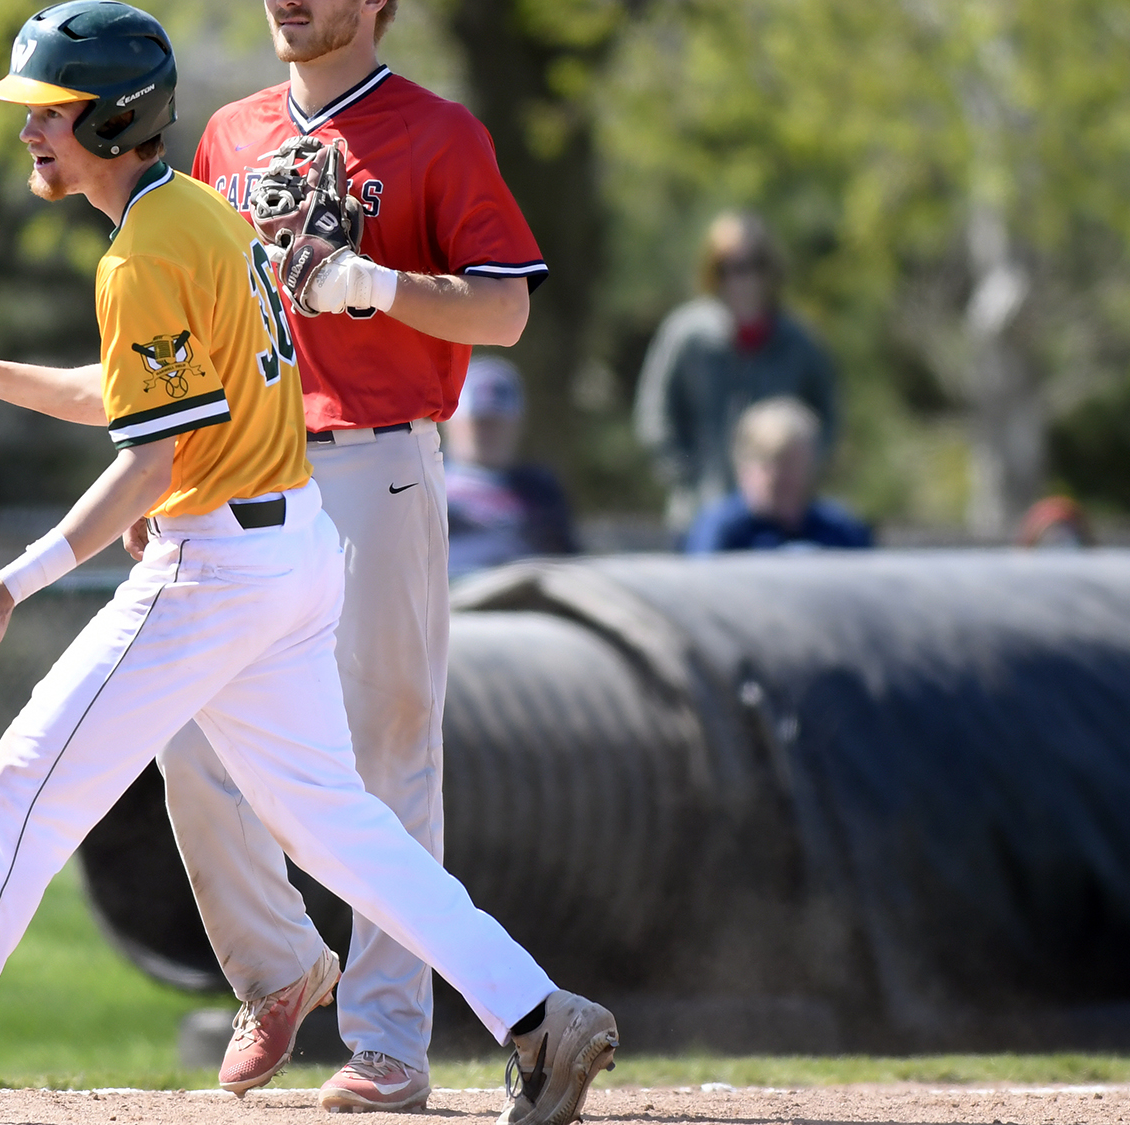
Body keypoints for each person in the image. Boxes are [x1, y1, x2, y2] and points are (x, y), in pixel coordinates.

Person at [0, 6, 615, 1125]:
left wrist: (15, 582)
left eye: (49, 113)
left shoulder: (150, 251)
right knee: (337, 827)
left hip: (220, 565)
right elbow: (156, 410)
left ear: (111, 116)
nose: (29, 134)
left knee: (22, 781)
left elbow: (152, 453)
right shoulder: (198, 219)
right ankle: (540, 1016)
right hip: (288, 543)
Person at [165, 0, 598, 1115]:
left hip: (377, 457)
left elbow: (503, 312)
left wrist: (379, 287)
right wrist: (166, 467)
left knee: (387, 751)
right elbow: (207, 325)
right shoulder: (227, 134)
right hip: (244, 463)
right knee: (183, 724)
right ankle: (277, 969)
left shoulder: (436, 132)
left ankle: (390, 1045)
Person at [634, 210, 838, 531]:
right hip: (699, 513)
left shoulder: (798, 342)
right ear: (713, 272)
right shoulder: (687, 337)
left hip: (781, 517)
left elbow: (827, 416)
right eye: (729, 268)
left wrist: (798, 477)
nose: (743, 279)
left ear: (772, 270)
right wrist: (688, 477)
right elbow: (655, 416)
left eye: (755, 265)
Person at [443, 356, 577, 579]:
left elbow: (569, 558)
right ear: (450, 423)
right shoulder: (423, 485)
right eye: (478, 422)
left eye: (497, 422)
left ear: (517, 424)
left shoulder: (541, 490)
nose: (487, 433)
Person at [682, 397, 871, 553]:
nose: (786, 476)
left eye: (796, 464)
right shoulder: (722, 531)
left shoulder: (838, 529)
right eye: (775, 462)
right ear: (745, 467)